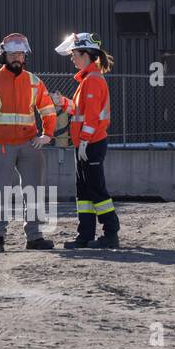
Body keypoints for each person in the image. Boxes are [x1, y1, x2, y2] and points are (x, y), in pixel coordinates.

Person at [0, 33, 58, 253]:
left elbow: (48, 110)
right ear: (3, 56)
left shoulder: (34, 81)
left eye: (20, 54)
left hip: (29, 145)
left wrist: (47, 135)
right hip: (0, 145)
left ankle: (34, 237)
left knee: (34, 191)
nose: (17, 58)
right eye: (12, 54)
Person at [53, 32, 120, 249]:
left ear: (85, 55)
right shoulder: (88, 79)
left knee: (96, 189)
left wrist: (83, 141)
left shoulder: (92, 80)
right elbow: (77, 109)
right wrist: (61, 102)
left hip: (90, 144)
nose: (72, 58)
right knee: (83, 191)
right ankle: (85, 235)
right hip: (86, 144)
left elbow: (90, 117)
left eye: (74, 54)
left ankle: (110, 234)